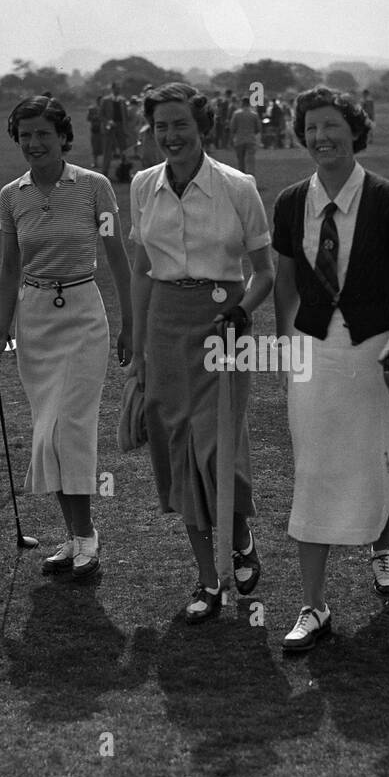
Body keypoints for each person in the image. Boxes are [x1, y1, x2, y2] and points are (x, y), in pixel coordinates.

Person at [272, 87, 389, 651]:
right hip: (313, 352)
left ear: (354, 129)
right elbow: (284, 285)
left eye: (332, 125)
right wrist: (288, 348)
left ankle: (380, 547)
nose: (321, 137)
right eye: (311, 128)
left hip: (375, 351)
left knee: (375, 460)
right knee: (312, 471)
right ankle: (314, 606)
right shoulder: (290, 202)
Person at [126, 81, 275, 622]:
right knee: (177, 452)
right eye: (160, 126)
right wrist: (138, 346)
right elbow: (142, 271)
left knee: (218, 450)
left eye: (180, 124)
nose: (170, 135)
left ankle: (238, 534)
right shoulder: (142, 186)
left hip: (223, 325)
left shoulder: (238, 187)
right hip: (166, 327)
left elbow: (265, 273)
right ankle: (207, 580)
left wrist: (244, 309)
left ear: (202, 127)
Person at [0, 96, 133, 579]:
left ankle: (87, 536)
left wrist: (131, 321)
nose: (34, 143)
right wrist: (2, 328)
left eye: (43, 134)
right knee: (47, 433)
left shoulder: (95, 187)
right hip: (35, 322)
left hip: (84, 317)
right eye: (25, 135)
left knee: (68, 426)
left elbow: (117, 258)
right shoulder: (11, 195)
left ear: (63, 137)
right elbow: (9, 267)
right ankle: (74, 538)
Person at [99, 82, 127, 178]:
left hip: (120, 127)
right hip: (110, 127)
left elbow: (125, 115)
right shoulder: (105, 100)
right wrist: (108, 122)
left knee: (124, 149)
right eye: (116, 88)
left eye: (119, 88)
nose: (118, 90)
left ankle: (124, 170)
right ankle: (105, 172)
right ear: (113, 89)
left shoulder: (122, 100)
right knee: (108, 150)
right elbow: (101, 115)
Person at [229, 97, 260, 175]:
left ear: (242, 103)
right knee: (250, 159)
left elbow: (232, 127)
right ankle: (251, 175)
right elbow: (258, 128)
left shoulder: (236, 114)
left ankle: (241, 175)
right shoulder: (254, 114)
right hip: (251, 139)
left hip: (239, 139)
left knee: (240, 160)